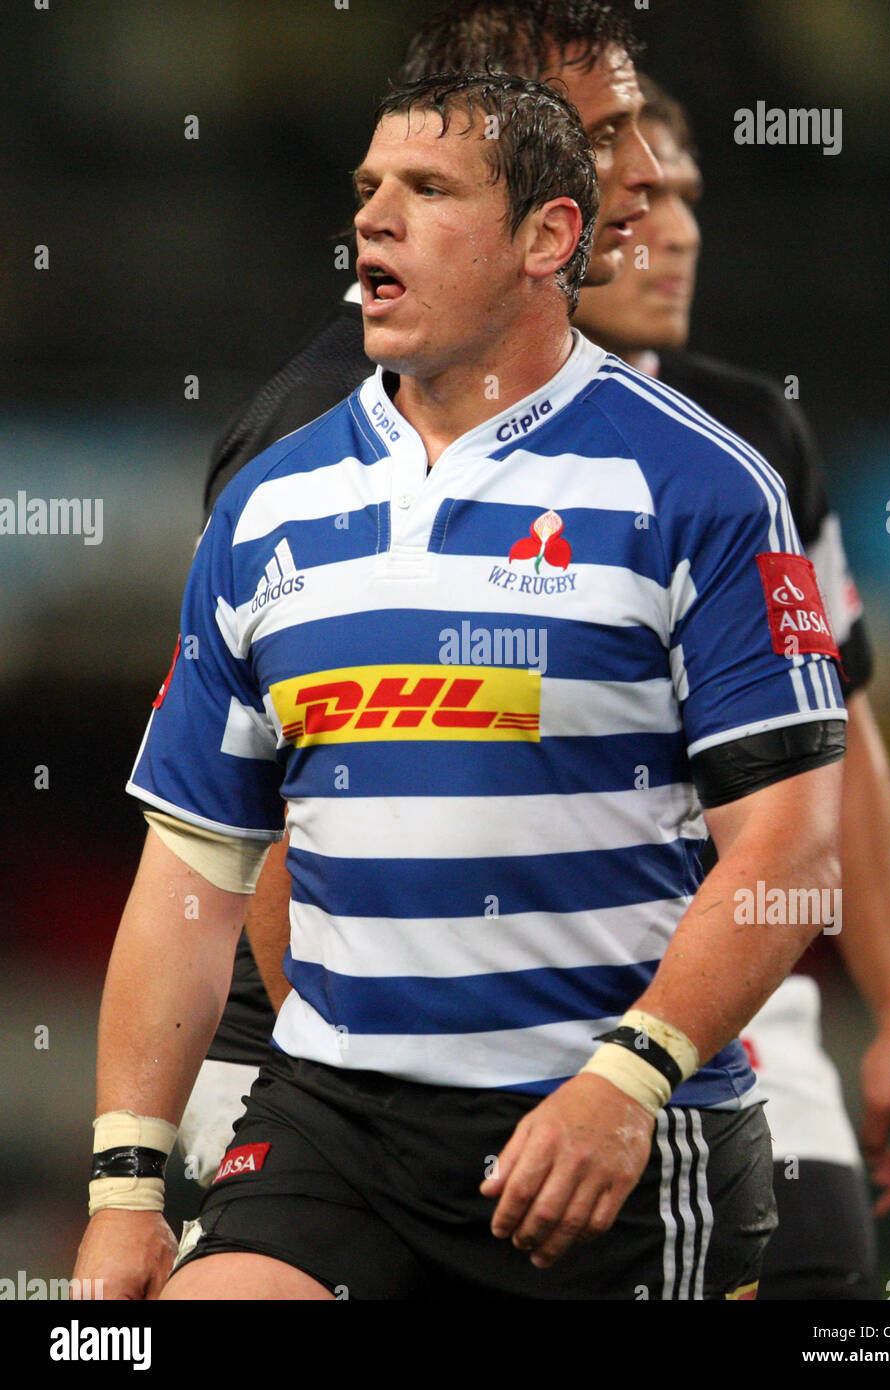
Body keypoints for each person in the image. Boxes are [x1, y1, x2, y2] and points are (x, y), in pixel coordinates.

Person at [74, 68, 846, 1301]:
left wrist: (627, 1079)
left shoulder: (699, 486)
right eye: (367, 188)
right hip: (337, 1127)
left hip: (616, 1118)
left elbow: (793, 855)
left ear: (550, 237)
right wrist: (123, 1191)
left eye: (427, 188)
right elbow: (194, 873)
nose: (372, 217)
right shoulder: (274, 503)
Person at [572, 79, 890, 1298]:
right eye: (640, 203)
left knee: (828, 1285)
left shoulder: (757, 438)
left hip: (744, 1010)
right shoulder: (395, 426)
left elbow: (839, 733)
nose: (678, 232)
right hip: (503, 1010)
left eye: (687, 196)